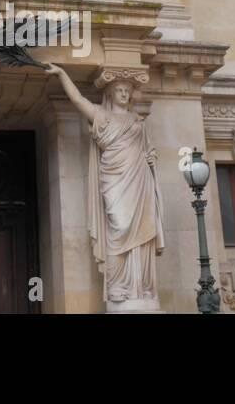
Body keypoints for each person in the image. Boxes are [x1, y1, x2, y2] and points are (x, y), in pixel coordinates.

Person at [45, 64, 164, 304]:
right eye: (119, 90)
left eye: (126, 91)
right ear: (110, 93)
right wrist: (61, 74)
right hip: (115, 180)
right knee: (118, 227)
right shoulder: (101, 115)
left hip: (139, 179)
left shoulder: (136, 121)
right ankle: (117, 285)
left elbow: (147, 150)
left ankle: (140, 286)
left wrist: (151, 159)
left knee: (142, 233)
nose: (123, 94)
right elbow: (78, 100)